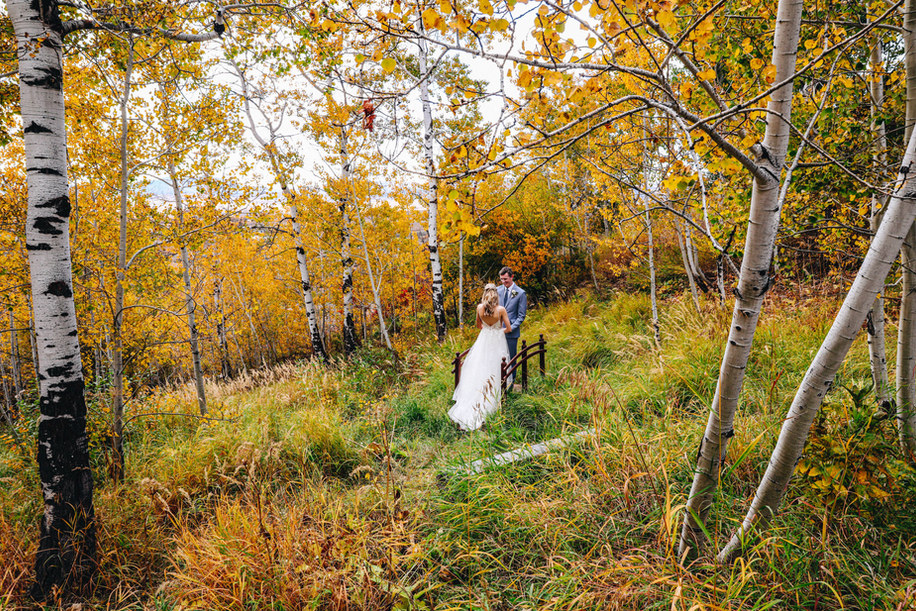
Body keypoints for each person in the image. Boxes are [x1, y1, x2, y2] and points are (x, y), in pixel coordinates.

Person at [448, 284, 512, 431]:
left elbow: (478, 326)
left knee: (479, 366)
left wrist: (488, 329)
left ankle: (475, 399)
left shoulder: (479, 308)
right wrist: (498, 330)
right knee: (496, 366)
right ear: (496, 295)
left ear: (484, 294)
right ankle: (493, 398)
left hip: (483, 340)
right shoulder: (501, 310)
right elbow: (508, 328)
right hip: (497, 340)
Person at [497, 266, 527, 382]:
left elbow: (521, 316)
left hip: (511, 333)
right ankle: (499, 382)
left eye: (505, 279)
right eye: (501, 279)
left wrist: (510, 328)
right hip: (497, 331)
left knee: (511, 359)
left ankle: (511, 383)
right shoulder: (497, 290)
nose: (503, 282)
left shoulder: (520, 293)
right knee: (497, 358)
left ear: (512, 277)